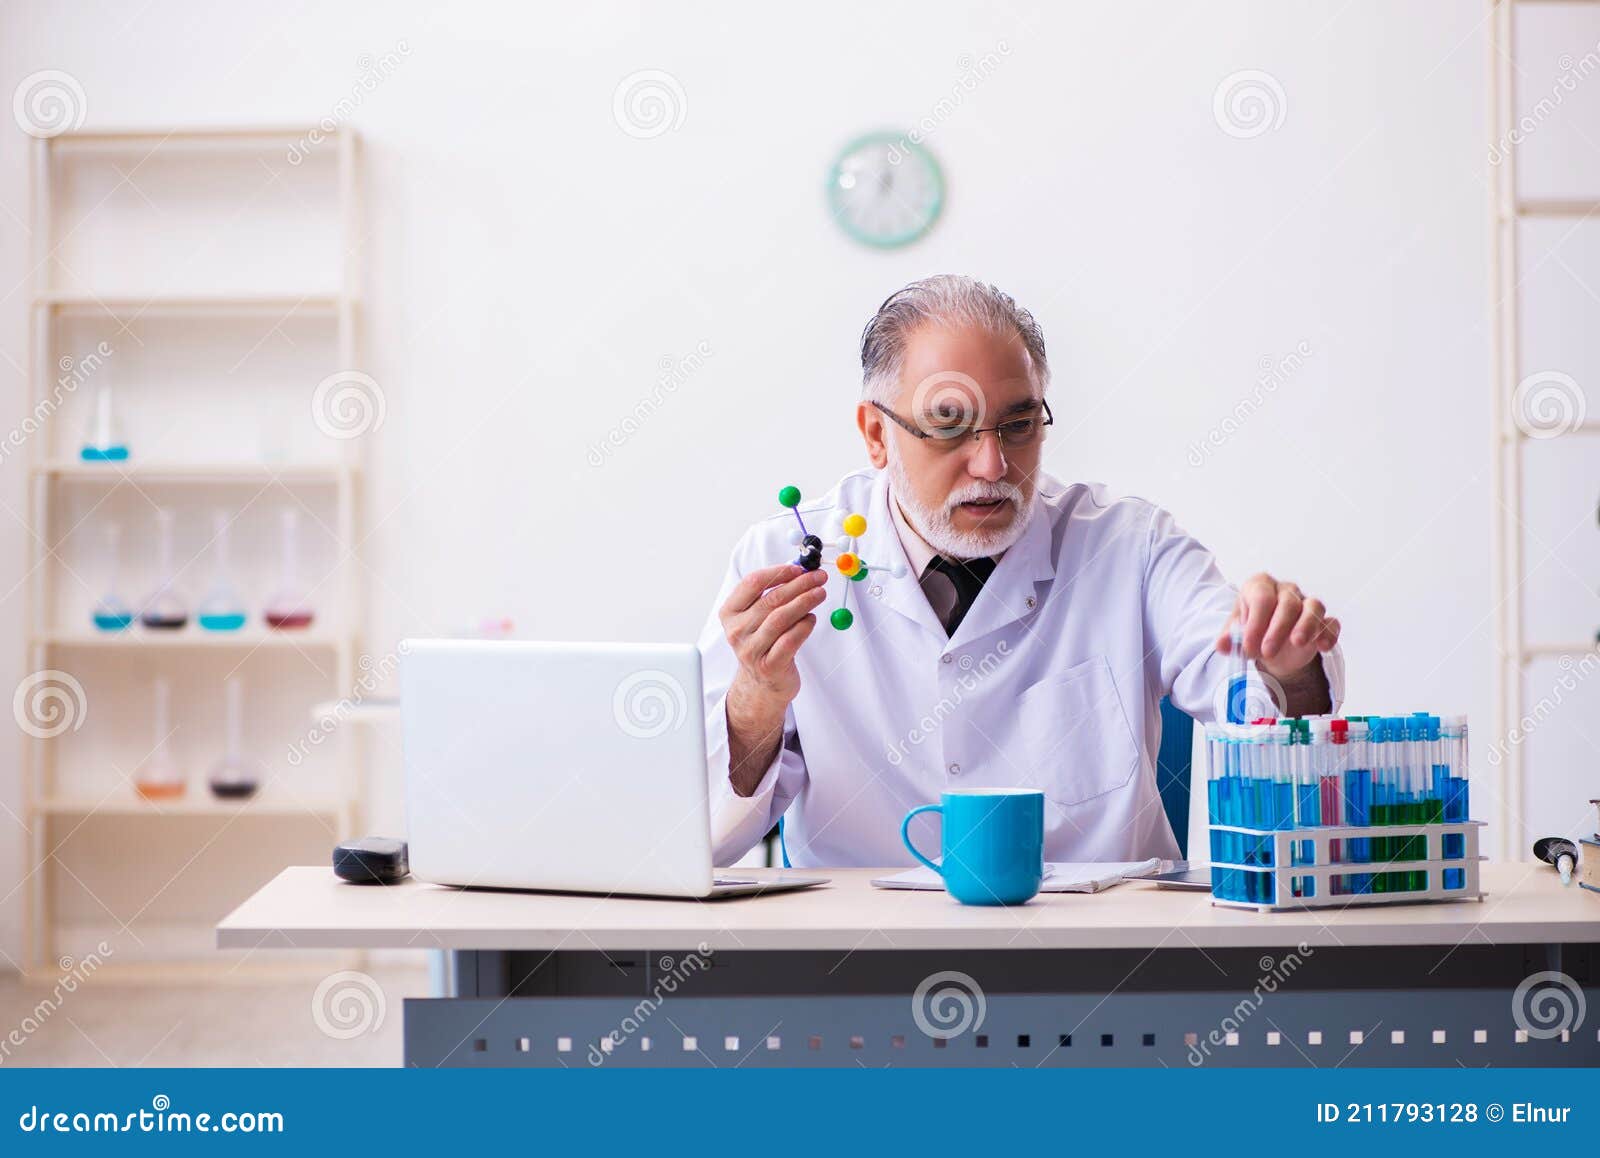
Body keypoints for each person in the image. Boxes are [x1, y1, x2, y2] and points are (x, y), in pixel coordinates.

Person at [697, 275, 1344, 866]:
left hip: (1101, 943)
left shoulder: (1131, 548)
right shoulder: (783, 562)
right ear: (875, 434)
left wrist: (1286, 666)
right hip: (855, 943)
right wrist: (756, 699)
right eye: (949, 426)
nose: (993, 466)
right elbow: (706, 841)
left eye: (1019, 424)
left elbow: (1264, 721)